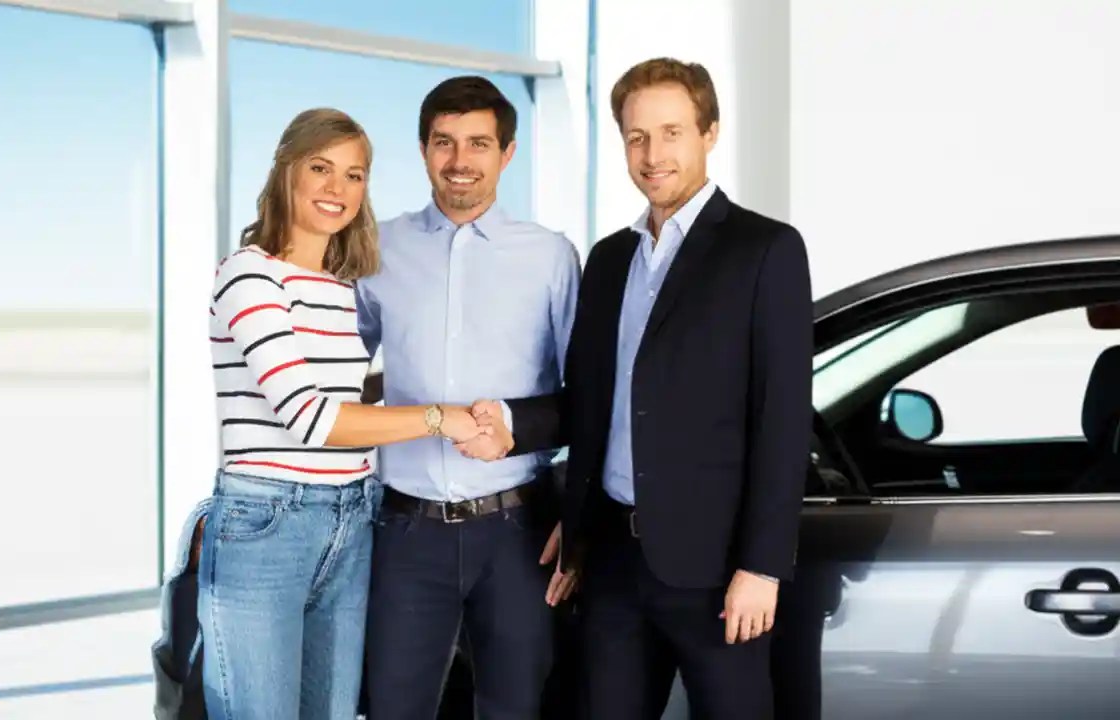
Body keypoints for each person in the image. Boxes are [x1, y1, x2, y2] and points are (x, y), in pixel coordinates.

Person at [493, 58, 813, 719]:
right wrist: (573, 525)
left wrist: (763, 566)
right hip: (612, 561)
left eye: (671, 132)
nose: (652, 154)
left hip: (718, 571)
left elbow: (782, 420)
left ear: (710, 133)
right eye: (636, 136)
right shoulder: (610, 258)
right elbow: (590, 400)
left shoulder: (765, 249)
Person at [195, 107, 493, 720]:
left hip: (352, 517)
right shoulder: (248, 276)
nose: (338, 189)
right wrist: (442, 416)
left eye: (355, 175)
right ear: (286, 173)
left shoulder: (341, 288)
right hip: (265, 525)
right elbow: (312, 417)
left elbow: (347, 391)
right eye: (321, 168)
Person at [355, 76, 582, 720]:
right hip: (404, 531)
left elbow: (585, 397)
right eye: (444, 142)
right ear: (424, 149)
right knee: (392, 708)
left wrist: (579, 514)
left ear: (507, 153)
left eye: (479, 143)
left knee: (516, 708)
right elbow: (337, 370)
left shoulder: (551, 258)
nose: (460, 161)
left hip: (517, 533)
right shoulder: (379, 248)